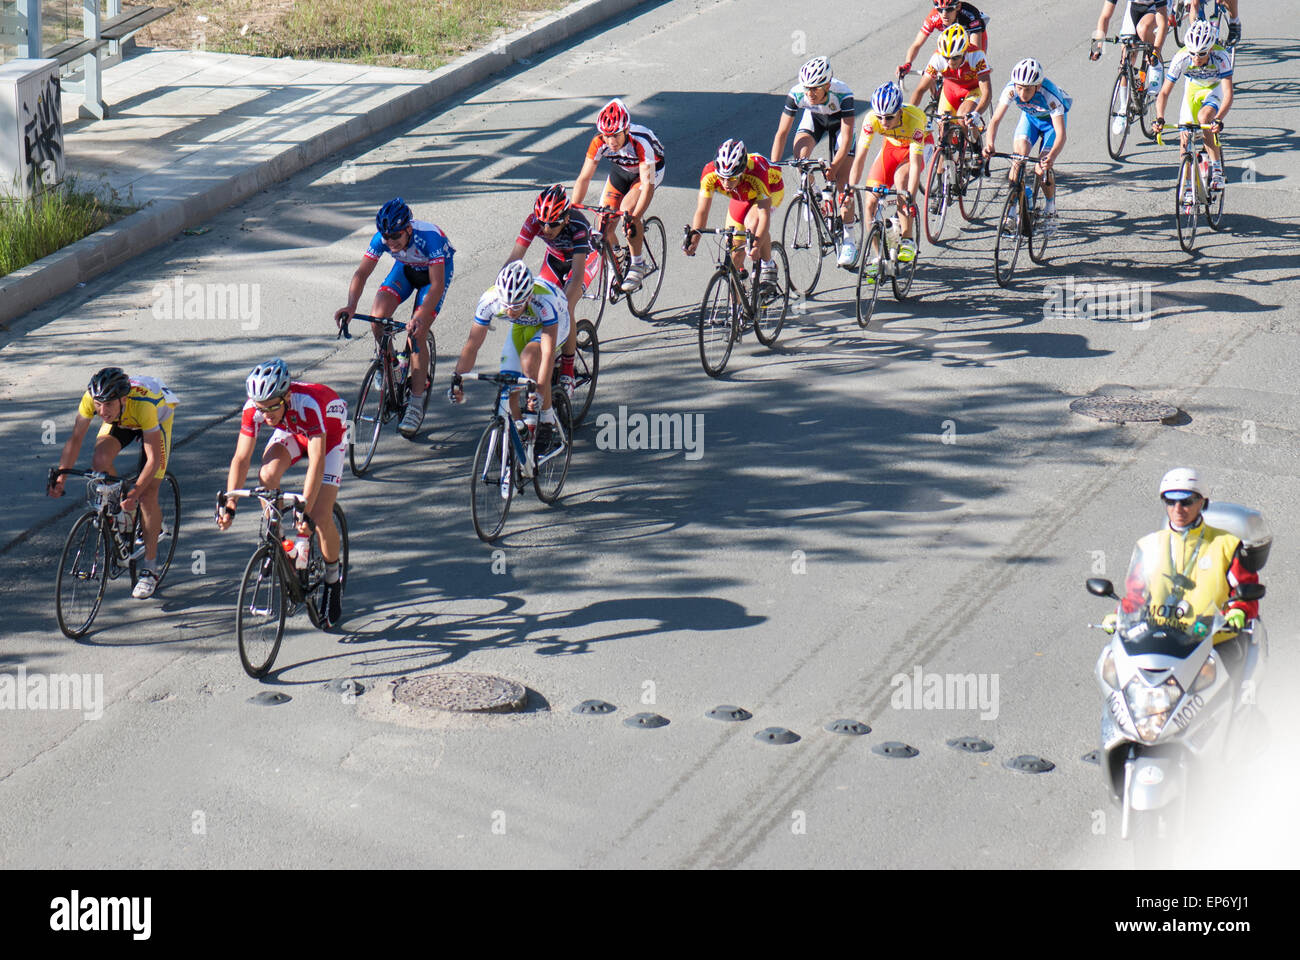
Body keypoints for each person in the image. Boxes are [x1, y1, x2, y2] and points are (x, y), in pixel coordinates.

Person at [217, 359, 347, 626]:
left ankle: (333, 580)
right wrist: (230, 503)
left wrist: (306, 511)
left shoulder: (308, 404)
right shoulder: (256, 407)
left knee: (320, 516)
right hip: (292, 431)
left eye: (272, 407)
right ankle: (279, 540)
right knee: (266, 475)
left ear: (287, 396)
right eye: (261, 409)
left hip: (328, 437)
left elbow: (317, 462)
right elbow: (241, 458)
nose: (266, 415)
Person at [1102, 468, 1261, 677]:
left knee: (1232, 687)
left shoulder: (1227, 545)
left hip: (1211, 641)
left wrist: (1239, 611)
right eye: (1170, 501)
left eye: (1186, 502)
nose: (1178, 509)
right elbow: (1136, 595)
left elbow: (1245, 587)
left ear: (1202, 503)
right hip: (1159, 642)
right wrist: (1118, 616)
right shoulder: (1148, 545)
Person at [48, 367, 178, 599]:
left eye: (107, 404)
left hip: (156, 417)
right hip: (124, 419)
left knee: (148, 494)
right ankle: (126, 516)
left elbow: (154, 459)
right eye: (99, 404)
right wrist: (61, 477)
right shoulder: (94, 400)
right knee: (99, 461)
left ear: (123, 398)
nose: (101, 410)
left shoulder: (143, 405)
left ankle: (149, 569)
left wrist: (136, 492)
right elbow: (76, 439)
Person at [334, 197, 455, 440]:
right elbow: (362, 273)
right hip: (406, 271)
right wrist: (351, 305)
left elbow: (437, 285)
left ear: (408, 229)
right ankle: (389, 362)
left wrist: (420, 317)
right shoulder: (384, 238)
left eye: (395, 237)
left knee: (416, 335)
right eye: (386, 237)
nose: (390, 242)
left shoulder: (430, 237)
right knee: (377, 317)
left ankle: (416, 405)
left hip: (432, 279)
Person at [448, 263, 568, 477]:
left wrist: (540, 392)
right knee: (508, 386)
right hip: (523, 327)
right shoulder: (490, 301)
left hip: (551, 321)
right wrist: (458, 378)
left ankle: (548, 419)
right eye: (507, 306)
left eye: (516, 306)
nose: (510, 311)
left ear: (528, 298)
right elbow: (472, 345)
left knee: (531, 361)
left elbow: (548, 356)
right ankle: (521, 427)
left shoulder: (543, 302)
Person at [769, 56, 859, 267]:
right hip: (815, 120)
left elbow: (846, 139)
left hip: (840, 126)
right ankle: (815, 194)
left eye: (815, 89)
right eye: (807, 88)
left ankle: (849, 239)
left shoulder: (844, 94)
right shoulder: (797, 94)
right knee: (800, 156)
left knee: (843, 185)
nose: (809, 93)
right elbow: (782, 133)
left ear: (827, 86)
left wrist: (835, 166)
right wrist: (772, 168)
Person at [503, 184, 591, 396]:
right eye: (542, 223)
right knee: (536, 304)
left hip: (581, 261)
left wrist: (563, 301)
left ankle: (568, 372)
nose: (546, 229)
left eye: (553, 224)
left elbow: (578, 274)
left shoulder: (579, 226)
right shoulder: (534, 221)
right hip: (555, 258)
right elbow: (514, 258)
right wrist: (504, 288)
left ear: (566, 218)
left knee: (565, 308)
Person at [571, 98, 666, 293]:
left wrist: (635, 218)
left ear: (626, 130)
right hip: (621, 170)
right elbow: (584, 178)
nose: (611, 141)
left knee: (628, 211)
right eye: (607, 136)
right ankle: (617, 256)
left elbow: (647, 187)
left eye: (615, 135)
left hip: (647, 172)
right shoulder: (599, 142)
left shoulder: (641, 142)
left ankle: (638, 263)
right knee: (602, 224)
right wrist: (573, 210)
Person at [848, 81, 933, 272]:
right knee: (870, 201)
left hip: (918, 146)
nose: (884, 122)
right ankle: (878, 258)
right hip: (892, 147)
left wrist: (910, 197)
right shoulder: (871, 120)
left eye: (889, 117)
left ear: (899, 112)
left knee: (901, 179)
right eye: (880, 117)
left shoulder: (915, 119)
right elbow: (860, 158)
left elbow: (915, 163)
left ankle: (908, 238)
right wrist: (850, 188)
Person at [983, 58, 1071, 237]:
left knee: (1041, 168)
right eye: (1019, 88)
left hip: (1051, 126)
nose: (1022, 93)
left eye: (1028, 89)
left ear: (1037, 87)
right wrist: (989, 144)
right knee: (1017, 161)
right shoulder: (1011, 89)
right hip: (1030, 120)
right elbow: (995, 120)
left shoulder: (1050, 95)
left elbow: (1061, 134)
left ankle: (1050, 209)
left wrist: (1051, 157)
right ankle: (1012, 212)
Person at [685, 139, 785, 287]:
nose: (726, 183)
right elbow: (702, 210)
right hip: (742, 195)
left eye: (731, 178)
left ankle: (768, 265)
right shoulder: (709, 174)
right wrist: (695, 239)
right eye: (722, 177)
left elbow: (764, 215)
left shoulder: (756, 171)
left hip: (770, 189)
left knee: (752, 225)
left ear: (742, 171)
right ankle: (736, 305)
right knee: (735, 251)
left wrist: (756, 246)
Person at [1153, 19, 1232, 191]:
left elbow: (1228, 94)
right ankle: (1187, 186)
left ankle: (1217, 169)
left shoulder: (1222, 56)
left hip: (1213, 89)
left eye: (1202, 53)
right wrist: (1159, 117)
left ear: (1211, 48)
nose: (1196, 58)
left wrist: (1218, 119)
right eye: (1193, 53)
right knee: (1185, 137)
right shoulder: (1181, 57)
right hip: (1193, 91)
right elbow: (1164, 93)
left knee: (1204, 118)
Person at [1090, 1, 1171, 137]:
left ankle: (1155, 65)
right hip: (1133, 7)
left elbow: (1163, 24)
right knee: (1126, 55)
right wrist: (1096, 47)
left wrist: (1156, 52)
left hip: (1155, 8)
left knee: (1143, 28)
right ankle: (1123, 109)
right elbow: (1104, 16)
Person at [913, 25, 992, 158]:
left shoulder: (976, 56)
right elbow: (920, 90)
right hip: (950, 91)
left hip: (972, 90)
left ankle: (976, 148)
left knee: (963, 117)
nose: (950, 62)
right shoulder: (937, 58)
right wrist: (909, 113)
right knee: (943, 130)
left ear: (964, 52)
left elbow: (987, 92)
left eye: (955, 58)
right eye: (946, 57)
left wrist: (976, 114)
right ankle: (943, 172)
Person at [898, 0, 992, 81]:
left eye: (949, 9)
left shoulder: (970, 14)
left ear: (958, 7)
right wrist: (907, 63)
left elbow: (975, 50)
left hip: (971, 36)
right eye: (939, 9)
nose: (944, 14)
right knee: (933, 67)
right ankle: (935, 97)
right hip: (951, 38)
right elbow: (917, 44)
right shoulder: (934, 17)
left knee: (972, 68)